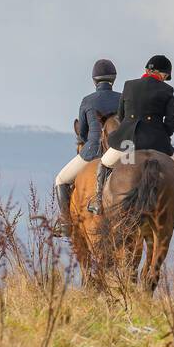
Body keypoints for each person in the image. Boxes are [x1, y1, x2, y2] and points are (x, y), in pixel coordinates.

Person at [89, 54, 174, 214]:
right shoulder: (167, 90)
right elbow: (171, 120)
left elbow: (121, 115)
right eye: (166, 76)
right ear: (163, 74)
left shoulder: (129, 85)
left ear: (147, 70)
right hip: (157, 142)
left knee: (104, 164)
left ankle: (98, 200)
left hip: (128, 142)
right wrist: (163, 135)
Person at [52, 59, 121, 235]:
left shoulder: (87, 101)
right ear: (113, 79)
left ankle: (66, 223)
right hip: (119, 153)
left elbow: (82, 133)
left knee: (60, 180)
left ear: (94, 81)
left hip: (92, 152)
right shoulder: (122, 98)